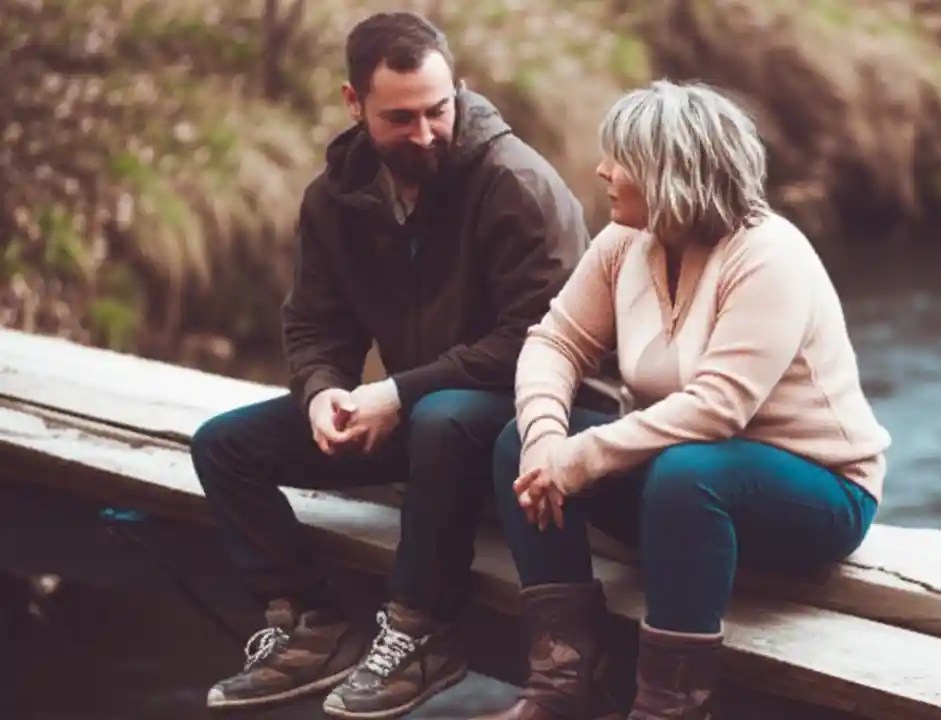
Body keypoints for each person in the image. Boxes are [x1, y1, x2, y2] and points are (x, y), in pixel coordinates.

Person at [189, 12, 587, 719]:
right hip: (422, 415)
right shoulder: (335, 200)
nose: (427, 133)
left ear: (457, 90)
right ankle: (313, 625)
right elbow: (314, 325)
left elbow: (542, 342)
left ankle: (423, 630)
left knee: (440, 418)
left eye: (439, 110)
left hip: (528, 417)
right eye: (401, 119)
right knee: (223, 446)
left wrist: (398, 392)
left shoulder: (515, 185)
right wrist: (321, 395)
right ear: (354, 104)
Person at [481, 80, 892, 720]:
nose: (602, 171)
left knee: (687, 470)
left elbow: (716, 408)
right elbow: (555, 342)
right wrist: (544, 438)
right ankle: (564, 681)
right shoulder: (625, 242)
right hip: (687, 492)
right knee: (516, 443)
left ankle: (669, 708)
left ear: (671, 174)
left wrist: (583, 455)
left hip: (818, 492)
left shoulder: (770, 256)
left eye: (620, 159)